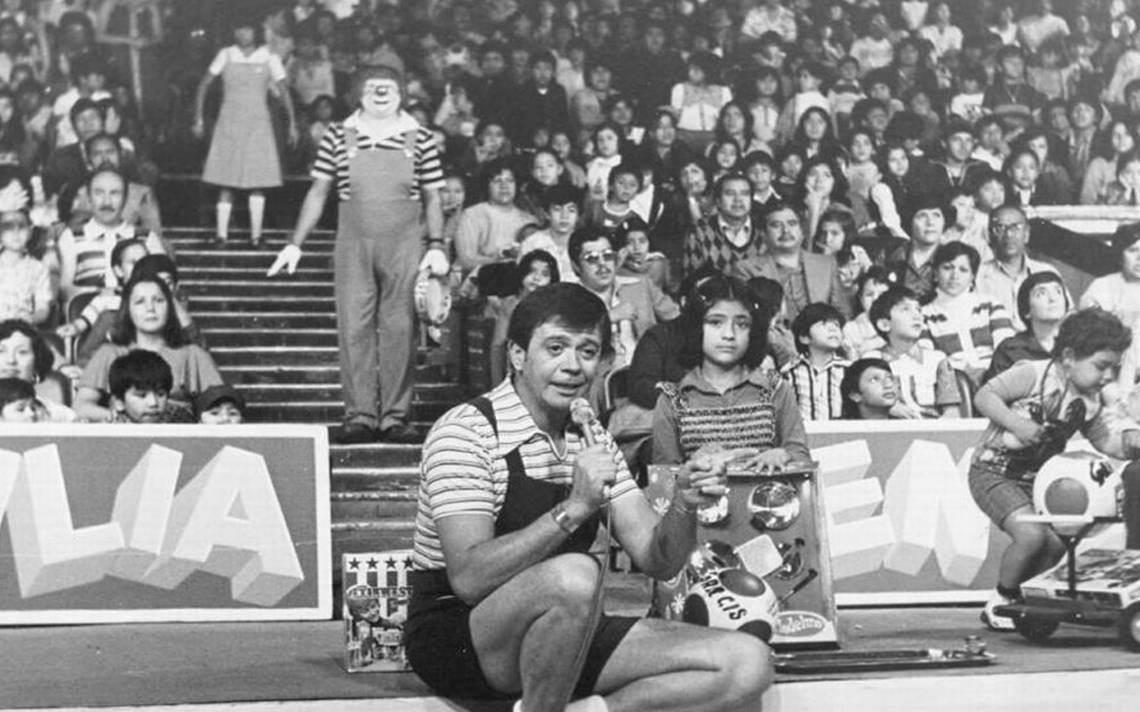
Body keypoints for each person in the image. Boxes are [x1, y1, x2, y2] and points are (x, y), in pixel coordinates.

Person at [406, 282, 772, 712]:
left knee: (747, 662)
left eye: (586, 351)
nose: (571, 366)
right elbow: (468, 579)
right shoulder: (467, 431)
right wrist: (576, 507)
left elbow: (658, 559)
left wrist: (683, 504)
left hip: (567, 629)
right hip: (463, 635)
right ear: (518, 355)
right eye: (555, 348)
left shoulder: (591, 435)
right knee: (576, 576)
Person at [269, 64, 447, 445]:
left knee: (400, 329)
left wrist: (437, 245)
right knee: (354, 329)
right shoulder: (338, 134)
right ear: (358, 93)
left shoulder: (421, 138)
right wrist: (294, 242)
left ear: (401, 92)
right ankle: (360, 415)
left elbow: (433, 196)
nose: (380, 92)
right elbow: (318, 193)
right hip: (352, 242)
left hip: (404, 241)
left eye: (388, 86)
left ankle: (396, 416)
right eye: (372, 86)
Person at [970, 308, 1140, 630]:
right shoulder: (1032, 373)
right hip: (993, 472)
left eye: (1114, 370)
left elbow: (1106, 441)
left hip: (1033, 481)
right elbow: (985, 395)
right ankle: (1000, 599)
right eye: (1101, 367)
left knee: (1056, 543)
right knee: (1032, 536)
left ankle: (1031, 598)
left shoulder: (1089, 401)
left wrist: (1130, 443)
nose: (1107, 377)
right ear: (1069, 357)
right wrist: (1016, 424)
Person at [652, 272, 811, 470]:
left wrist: (783, 454)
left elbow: (801, 456)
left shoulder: (776, 389)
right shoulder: (672, 399)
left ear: (753, 331)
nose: (729, 334)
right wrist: (692, 465)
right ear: (696, 327)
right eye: (715, 322)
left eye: (742, 324)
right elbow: (663, 481)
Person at [193, 15, 297, 245]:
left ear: (256, 31)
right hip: (228, 123)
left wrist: (292, 123)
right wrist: (198, 118)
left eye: (247, 29)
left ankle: (256, 236)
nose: (243, 34)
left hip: (258, 124)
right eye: (239, 29)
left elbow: (283, 92)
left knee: (257, 181)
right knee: (225, 180)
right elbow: (204, 84)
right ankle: (221, 235)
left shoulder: (269, 56)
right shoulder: (226, 54)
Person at [74, 275, 223, 424]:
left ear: (170, 307)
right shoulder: (108, 353)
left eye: (158, 301)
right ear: (127, 309)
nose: (150, 308)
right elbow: (81, 406)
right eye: (140, 302)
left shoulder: (194, 354)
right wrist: (118, 419)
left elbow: (222, 406)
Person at [56, 167, 165, 301]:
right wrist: (99, 295)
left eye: (115, 193)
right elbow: (65, 289)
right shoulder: (71, 237)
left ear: (125, 199)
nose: (106, 202)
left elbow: (163, 286)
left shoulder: (147, 238)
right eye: (99, 193)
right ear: (89, 198)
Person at [737, 201, 851, 324]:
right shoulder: (746, 269)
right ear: (764, 234)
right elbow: (745, 319)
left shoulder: (826, 264)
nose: (786, 230)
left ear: (802, 231)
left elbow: (843, 313)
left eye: (792, 224)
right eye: (776, 225)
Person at [919, 242, 1016, 385]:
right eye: (947, 268)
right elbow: (928, 358)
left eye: (963, 270)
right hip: (954, 383)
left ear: (972, 277)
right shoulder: (924, 315)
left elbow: (1006, 347)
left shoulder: (990, 305)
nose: (954, 275)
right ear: (935, 273)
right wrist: (965, 372)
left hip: (997, 377)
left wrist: (988, 375)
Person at [865, 287, 961, 419]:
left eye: (918, 309)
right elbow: (865, 403)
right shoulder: (871, 360)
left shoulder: (937, 359)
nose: (916, 315)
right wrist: (888, 407)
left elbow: (952, 412)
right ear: (884, 325)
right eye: (905, 309)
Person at [975, 205, 1063, 331]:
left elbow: (1067, 318)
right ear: (990, 235)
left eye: (1016, 227)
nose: (1009, 234)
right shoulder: (978, 275)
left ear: (1026, 234)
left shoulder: (1046, 272)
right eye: (1000, 228)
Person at [983, 271, 1070, 384]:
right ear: (1026, 311)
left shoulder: (1078, 345)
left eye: (1058, 292)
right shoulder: (1010, 350)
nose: (1052, 299)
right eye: (1041, 294)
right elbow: (990, 395)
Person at [455, 158, 538, 272]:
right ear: (487, 185)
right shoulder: (472, 215)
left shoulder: (529, 220)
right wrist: (499, 260)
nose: (504, 186)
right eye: (497, 180)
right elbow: (466, 260)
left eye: (509, 180)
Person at [683, 173, 766, 279]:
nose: (738, 199)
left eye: (744, 194)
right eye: (730, 194)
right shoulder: (699, 231)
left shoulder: (764, 228)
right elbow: (693, 281)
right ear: (718, 201)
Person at [782, 302, 849, 421]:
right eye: (823, 325)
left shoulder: (849, 370)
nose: (833, 329)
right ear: (804, 337)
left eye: (837, 325)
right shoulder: (789, 372)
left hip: (841, 434)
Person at [0, 319, 75, 422]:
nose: (11, 360)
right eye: (1, 351)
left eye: (22, 352)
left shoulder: (55, 414)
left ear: (37, 362)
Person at [0, 180, 49, 326]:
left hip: (21, 330)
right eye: (8, 227)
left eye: (21, 226)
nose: (16, 233)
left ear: (30, 231)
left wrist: (31, 318)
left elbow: (43, 308)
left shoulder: (38, 268)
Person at [106, 349, 192, 424]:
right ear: (119, 402)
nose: (153, 403)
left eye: (160, 394)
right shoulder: (109, 431)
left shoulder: (181, 419)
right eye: (142, 395)